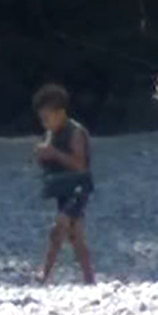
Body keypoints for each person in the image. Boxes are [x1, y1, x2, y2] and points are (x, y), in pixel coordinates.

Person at [31, 83, 97, 284]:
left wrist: (54, 154)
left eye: (47, 118)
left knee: (59, 226)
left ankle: (44, 273)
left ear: (60, 113)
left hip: (78, 187)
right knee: (75, 235)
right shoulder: (52, 134)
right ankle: (89, 278)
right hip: (63, 188)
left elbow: (80, 164)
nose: (44, 123)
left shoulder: (75, 132)